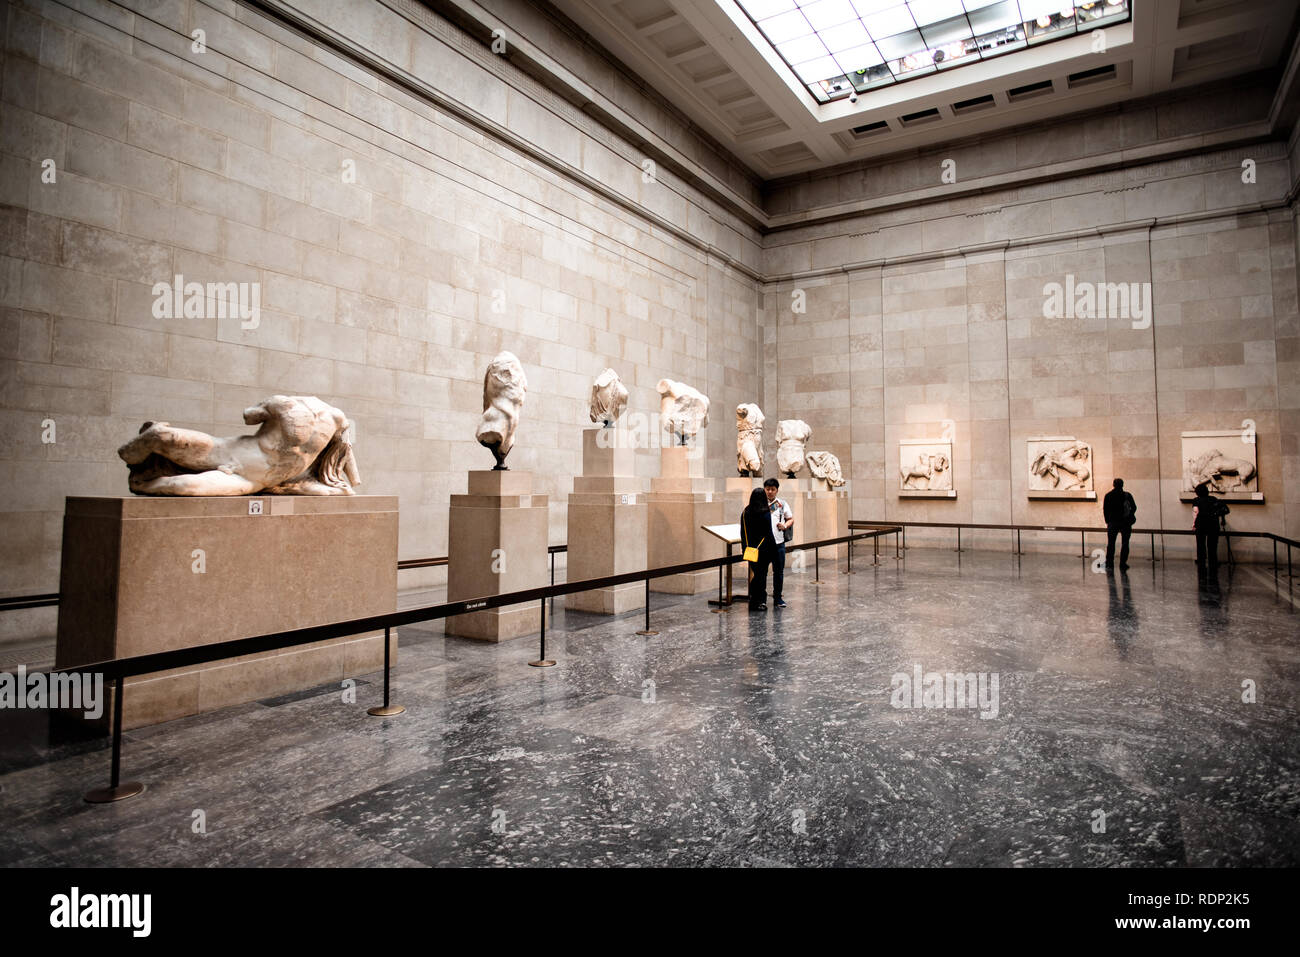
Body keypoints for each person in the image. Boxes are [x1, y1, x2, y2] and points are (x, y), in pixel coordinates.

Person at [740, 487, 775, 611]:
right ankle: (760, 600)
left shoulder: (745, 512)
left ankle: (755, 598)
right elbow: (768, 533)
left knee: (757, 574)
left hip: (750, 549)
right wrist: (773, 549)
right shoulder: (765, 512)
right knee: (761, 575)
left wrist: (745, 547)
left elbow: (743, 533)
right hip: (764, 549)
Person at [764, 478, 793, 608]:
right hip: (763, 544)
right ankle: (761, 599)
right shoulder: (760, 504)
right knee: (762, 573)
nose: (770, 492)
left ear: (777, 490)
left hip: (779, 543)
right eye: (768, 489)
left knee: (779, 572)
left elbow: (791, 518)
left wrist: (785, 525)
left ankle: (778, 598)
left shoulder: (782, 504)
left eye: (772, 489)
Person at [1192, 482, 1227, 577]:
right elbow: (1223, 510)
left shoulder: (1196, 500)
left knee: (1200, 545)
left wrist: (1194, 525)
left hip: (1201, 525)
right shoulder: (1213, 499)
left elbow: (1195, 513)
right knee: (1212, 546)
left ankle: (1201, 563)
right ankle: (1213, 563)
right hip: (1213, 525)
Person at [1102, 477, 1136, 570]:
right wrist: (1129, 515)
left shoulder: (1108, 495)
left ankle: (1109, 562)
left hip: (1113, 522)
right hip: (1125, 522)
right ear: (1122, 485)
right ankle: (1123, 563)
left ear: (1113, 485)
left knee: (1111, 543)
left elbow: (1105, 509)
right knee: (1125, 543)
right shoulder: (1127, 495)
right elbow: (1134, 507)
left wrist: (1107, 521)